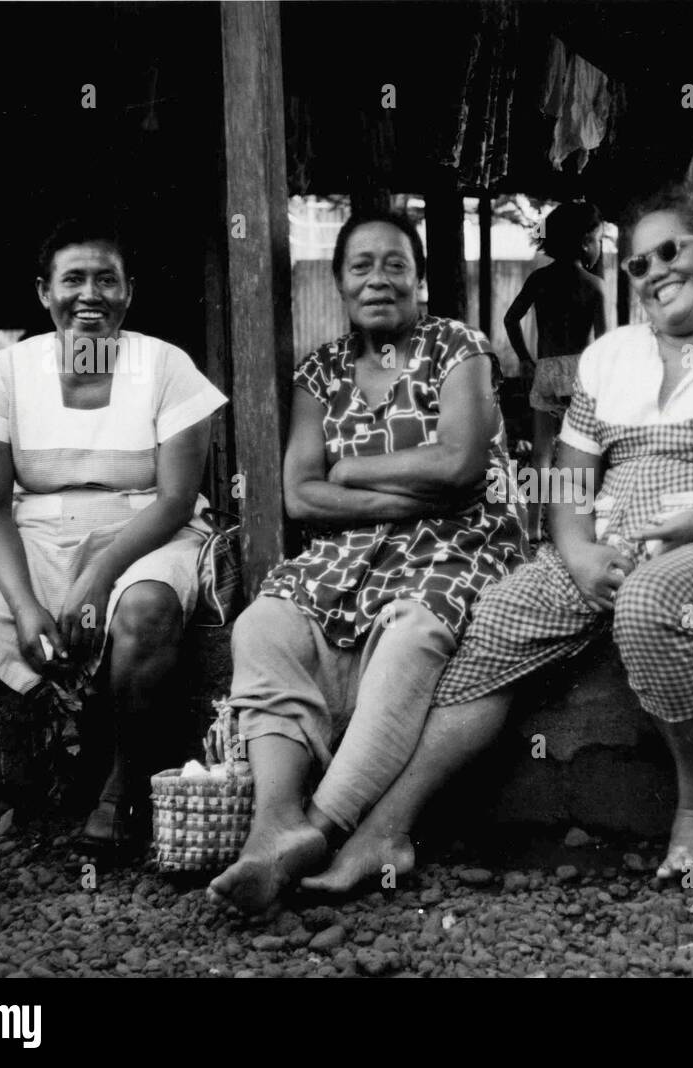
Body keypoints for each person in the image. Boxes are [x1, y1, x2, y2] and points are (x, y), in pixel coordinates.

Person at [303, 185, 693, 893]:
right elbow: (567, 485)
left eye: (669, 252)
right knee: (493, 615)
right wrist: (581, 553)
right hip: (620, 549)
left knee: (655, 599)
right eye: (638, 264)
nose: (651, 271)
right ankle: (387, 830)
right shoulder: (611, 357)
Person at [0, 218, 228, 907]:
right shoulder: (6, 375)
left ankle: (122, 788)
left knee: (145, 611)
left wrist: (98, 575)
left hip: (146, 531)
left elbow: (173, 499)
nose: (90, 293)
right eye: (72, 279)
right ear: (44, 293)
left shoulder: (167, 368)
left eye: (107, 278)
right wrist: (23, 605)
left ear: (129, 292)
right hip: (31, 535)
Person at [207, 211, 525, 915]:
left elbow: (461, 466)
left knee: (412, 631)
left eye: (394, 264)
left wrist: (350, 469)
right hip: (349, 556)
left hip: (456, 544)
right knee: (264, 626)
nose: (379, 278)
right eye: (361, 266)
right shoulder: (319, 372)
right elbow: (299, 495)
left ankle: (324, 827)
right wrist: (397, 488)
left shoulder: (456, 347)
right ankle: (273, 823)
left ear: (419, 279)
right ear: (341, 282)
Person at [504, 200, 606, 542]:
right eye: (598, 239)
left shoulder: (539, 279)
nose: (599, 246)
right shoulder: (594, 285)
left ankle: (532, 529)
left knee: (541, 455)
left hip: (547, 370)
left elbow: (510, 319)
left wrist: (525, 358)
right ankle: (583, 527)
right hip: (582, 374)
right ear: (584, 242)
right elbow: (606, 343)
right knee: (584, 453)